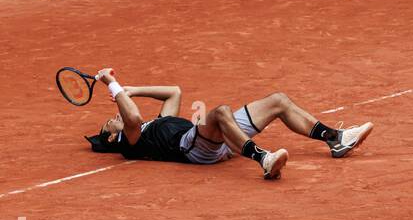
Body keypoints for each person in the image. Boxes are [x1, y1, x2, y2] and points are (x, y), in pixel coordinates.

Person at [85, 69, 373, 181]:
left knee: (278, 100)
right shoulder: (130, 142)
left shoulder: (156, 124)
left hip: (215, 139)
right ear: (112, 139)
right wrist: (113, 85)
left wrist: (132, 89)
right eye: (108, 124)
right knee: (221, 111)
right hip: (194, 149)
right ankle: (263, 159)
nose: (113, 118)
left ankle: (336, 138)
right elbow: (132, 118)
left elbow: (174, 91)